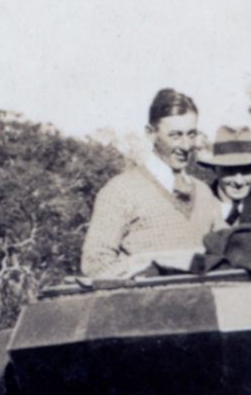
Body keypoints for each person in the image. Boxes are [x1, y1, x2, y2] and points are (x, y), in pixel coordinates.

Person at [81, 88, 225, 277]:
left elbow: (227, 251)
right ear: (151, 133)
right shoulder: (119, 191)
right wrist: (149, 265)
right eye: (175, 135)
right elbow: (95, 263)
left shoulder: (204, 192)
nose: (186, 146)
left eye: (191, 134)